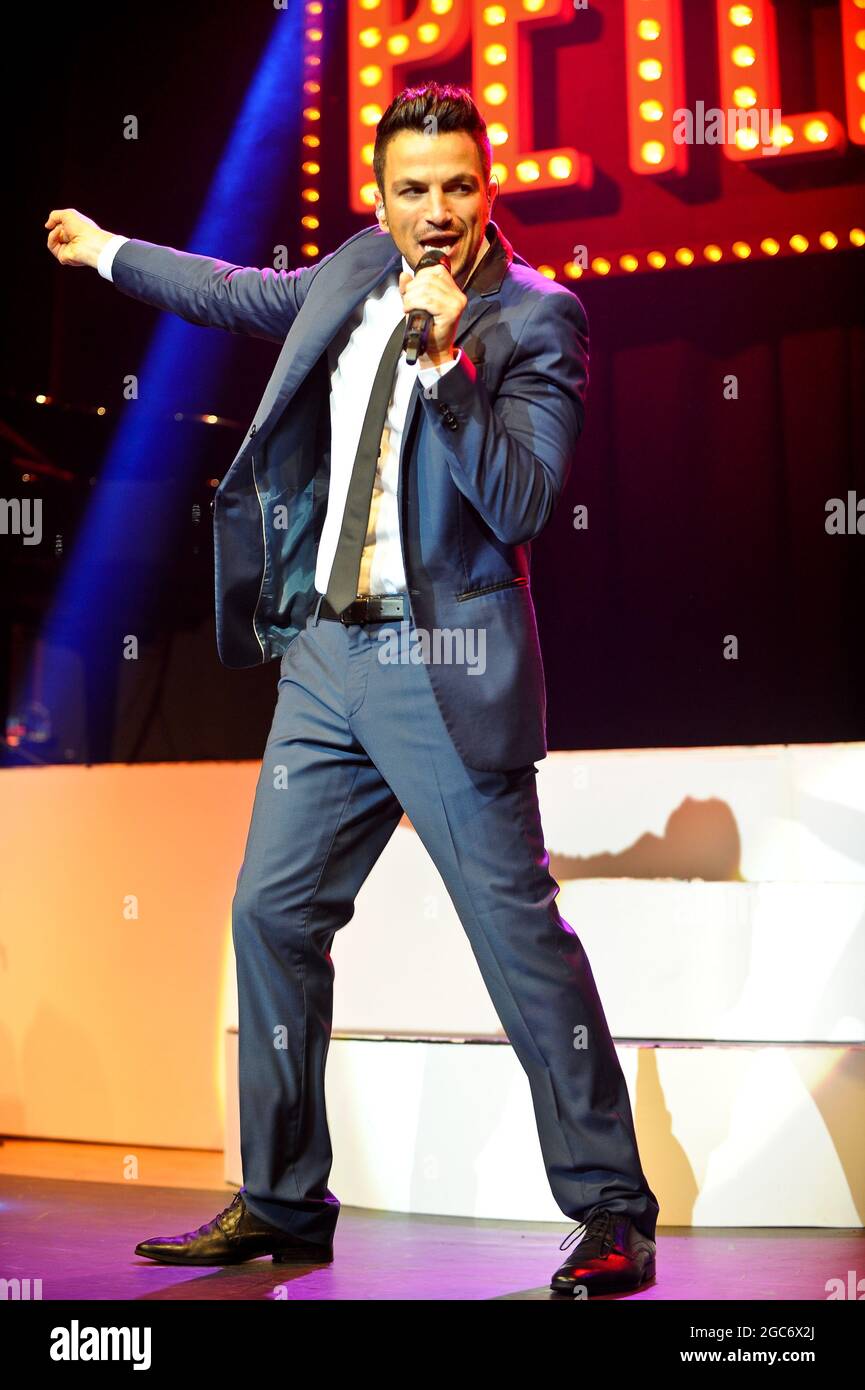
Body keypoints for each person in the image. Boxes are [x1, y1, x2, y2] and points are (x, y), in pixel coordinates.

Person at [45, 81, 659, 1296]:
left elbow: (525, 503)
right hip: (325, 659)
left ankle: (611, 1210)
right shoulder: (349, 270)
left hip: (443, 669)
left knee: (517, 941)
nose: (437, 213)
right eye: (414, 189)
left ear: (492, 189)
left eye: (460, 186)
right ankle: (282, 1198)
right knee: (273, 916)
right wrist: (106, 250)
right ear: (377, 195)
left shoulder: (535, 320)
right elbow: (234, 295)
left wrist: (444, 365)